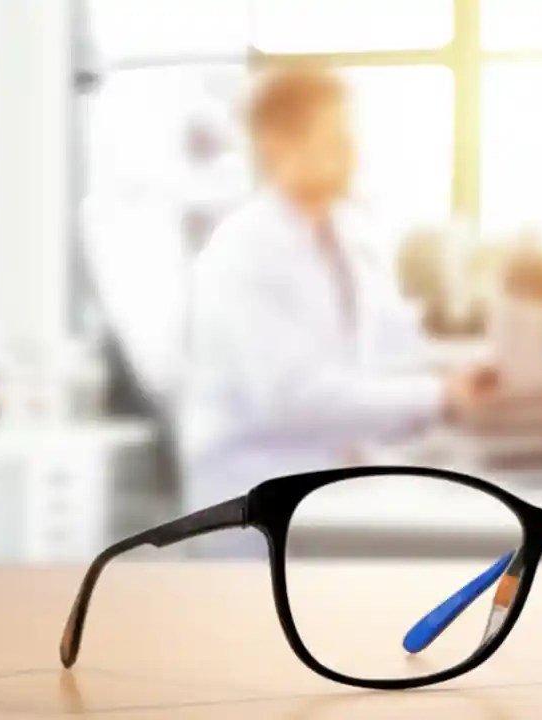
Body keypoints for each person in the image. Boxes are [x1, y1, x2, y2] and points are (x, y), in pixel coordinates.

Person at [180, 68, 495, 522]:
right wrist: (439, 395)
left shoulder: (349, 239)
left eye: (350, 138)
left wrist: (456, 375)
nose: (351, 154)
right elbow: (292, 398)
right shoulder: (244, 250)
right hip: (250, 503)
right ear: (276, 142)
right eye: (335, 139)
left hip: (332, 497)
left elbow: (382, 360)